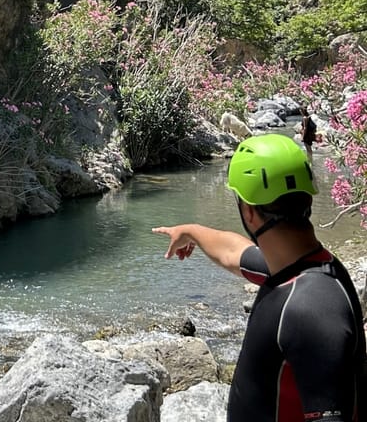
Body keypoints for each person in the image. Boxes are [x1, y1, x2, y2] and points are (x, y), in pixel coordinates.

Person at [153, 133, 365, 422]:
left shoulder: (310, 309)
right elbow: (234, 252)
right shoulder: (300, 269)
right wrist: (190, 231)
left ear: (249, 212)